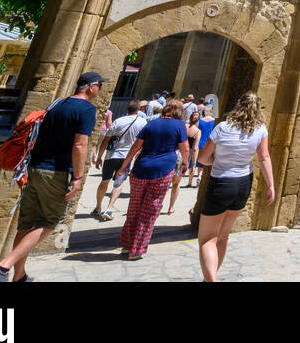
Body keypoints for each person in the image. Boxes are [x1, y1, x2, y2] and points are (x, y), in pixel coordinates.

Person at [0, 71, 105, 282]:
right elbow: (79, 145)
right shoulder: (87, 109)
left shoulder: (58, 103)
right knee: (50, 222)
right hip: (56, 172)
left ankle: (19, 276)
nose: (99, 91)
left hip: (34, 168)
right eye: (99, 87)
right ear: (91, 87)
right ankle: (3, 267)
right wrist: (77, 179)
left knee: (27, 223)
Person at [196, 92, 273, 281]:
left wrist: (218, 160)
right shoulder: (260, 129)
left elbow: (202, 158)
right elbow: (264, 157)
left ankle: (211, 279)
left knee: (207, 239)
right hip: (243, 185)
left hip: (221, 183)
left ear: (238, 106)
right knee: (222, 236)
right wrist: (271, 185)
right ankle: (210, 277)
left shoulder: (223, 127)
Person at [116, 98, 188, 260]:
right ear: (178, 113)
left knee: (134, 208)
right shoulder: (178, 125)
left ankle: (126, 246)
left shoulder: (150, 124)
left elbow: (136, 147)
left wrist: (124, 166)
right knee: (150, 210)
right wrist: (185, 163)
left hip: (141, 168)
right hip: (163, 170)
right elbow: (185, 148)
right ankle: (137, 249)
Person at [92, 102, 146, 220]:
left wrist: (99, 157)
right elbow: (143, 142)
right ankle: (110, 209)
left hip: (111, 156)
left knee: (104, 181)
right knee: (119, 183)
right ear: (138, 110)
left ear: (128, 109)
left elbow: (106, 141)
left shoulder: (118, 120)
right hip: (126, 157)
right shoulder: (142, 122)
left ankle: (98, 207)